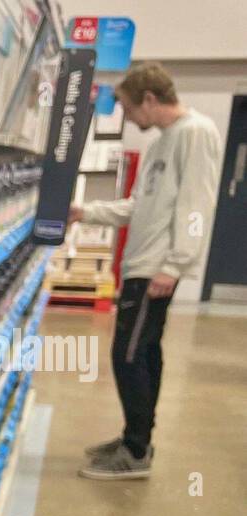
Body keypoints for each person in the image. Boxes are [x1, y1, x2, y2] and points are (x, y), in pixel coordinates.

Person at [69, 62, 221, 480]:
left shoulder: (195, 133)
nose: (131, 121)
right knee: (145, 353)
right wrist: (86, 212)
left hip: (157, 268)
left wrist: (174, 266)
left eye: (131, 110)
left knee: (129, 355)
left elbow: (197, 207)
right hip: (143, 264)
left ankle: (135, 452)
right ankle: (136, 439)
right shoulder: (162, 142)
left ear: (150, 100)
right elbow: (138, 206)